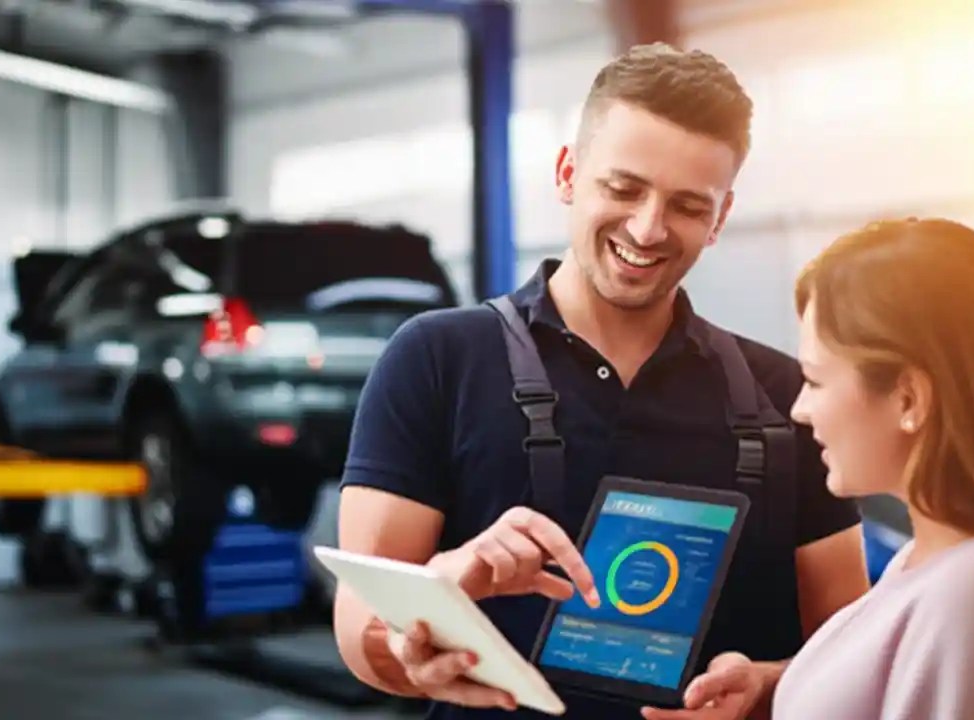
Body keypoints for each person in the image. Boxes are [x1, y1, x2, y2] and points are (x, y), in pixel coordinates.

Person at [332, 43, 872, 719]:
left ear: (720, 218)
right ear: (567, 172)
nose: (647, 228)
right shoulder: (438, 360)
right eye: (623, 189)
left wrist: (764, 687)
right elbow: (362, 619)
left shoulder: (785, 396)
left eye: (686, 205)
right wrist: (417, 628)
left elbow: (850, 652)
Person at [665, 218, 974, 720]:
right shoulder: (931, 565)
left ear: (908, 397)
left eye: (814, 380)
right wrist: (773, 687)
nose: (799, 410)